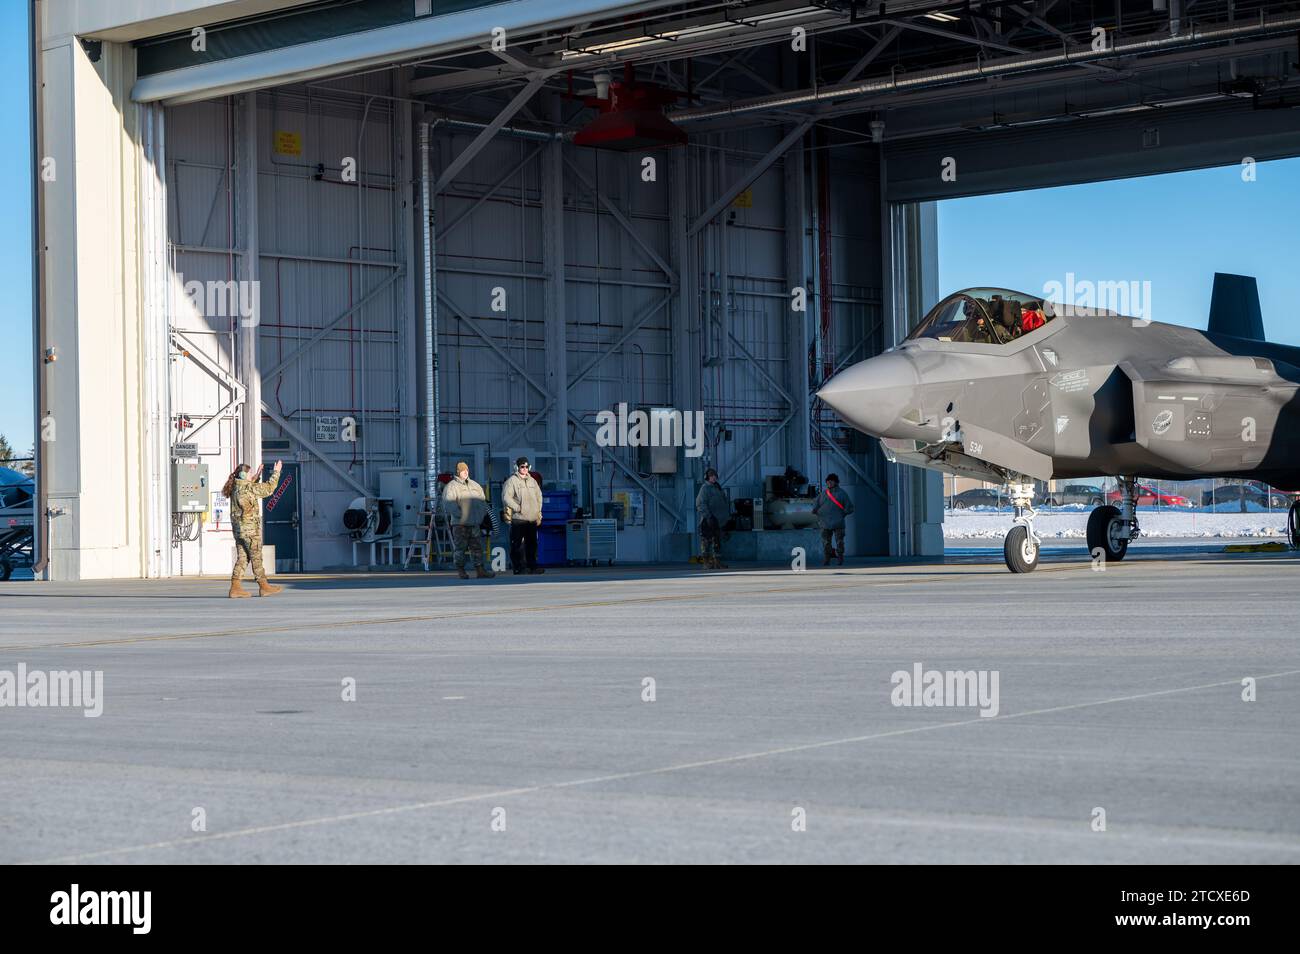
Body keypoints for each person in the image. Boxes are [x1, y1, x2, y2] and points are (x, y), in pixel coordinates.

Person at [223, 460, 284, 598]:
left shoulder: (235, 487)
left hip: (239, 531)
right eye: (249, 473)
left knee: (243, 558)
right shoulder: (248, 488)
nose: (251, 475)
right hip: (250, 530)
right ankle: (264, 586)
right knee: (256, 557)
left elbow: (249, 486)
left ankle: (235, 587)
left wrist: (257, 475)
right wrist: (277, 472)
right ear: (244, 475)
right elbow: (268, 488)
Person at [442, 461, 495, 580]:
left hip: (474, 523)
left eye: (466, 470)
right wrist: (462, 516)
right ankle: (461, 570)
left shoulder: (475, 486)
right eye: (462, 470)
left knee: (477, 547)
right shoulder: (452, 486)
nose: (465, 472)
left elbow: (482, 502)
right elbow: (449, 504)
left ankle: (480, 570)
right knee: (460, 548)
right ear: (458, 472)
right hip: (460, 524)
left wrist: (481, 516)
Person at [502, 456, 544, 575]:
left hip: (531, 519)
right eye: (522, 467)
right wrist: (518, 508)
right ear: (517, 468)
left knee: (532, 544)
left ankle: (533, 567)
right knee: (517, 545)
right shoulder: (512, 481)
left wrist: (538, 512)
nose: (525, 469)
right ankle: (518, 567)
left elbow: (539, 496)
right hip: (519, 519)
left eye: (526, 467)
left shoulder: (532, 481)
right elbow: (506, 498)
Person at [812, 473, 854, 566]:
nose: (829, 483)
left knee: (839, 541)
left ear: (836, 482)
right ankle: (827, 558)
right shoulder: (823, 494)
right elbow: (816, 505)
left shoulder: (842, 494)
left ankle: (840, 557)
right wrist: (815, 510)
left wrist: (843, 513)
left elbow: (850, 508)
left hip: (838, 522)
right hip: (825, 522)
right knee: (826, 543)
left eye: (831, 481)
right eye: (828, 481)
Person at [695, 467, 730, 570]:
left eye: (715, 476)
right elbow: (700, 504)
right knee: (706, 541)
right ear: (707, 477)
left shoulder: (717, 488)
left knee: (717, 541)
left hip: (719, 521)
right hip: (708, 520)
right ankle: (706, 563)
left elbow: (723, 502)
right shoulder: (705, 488)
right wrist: (708, 516)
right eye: (711, 476)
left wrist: (726, 518)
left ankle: (717, 562)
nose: (714, 478)